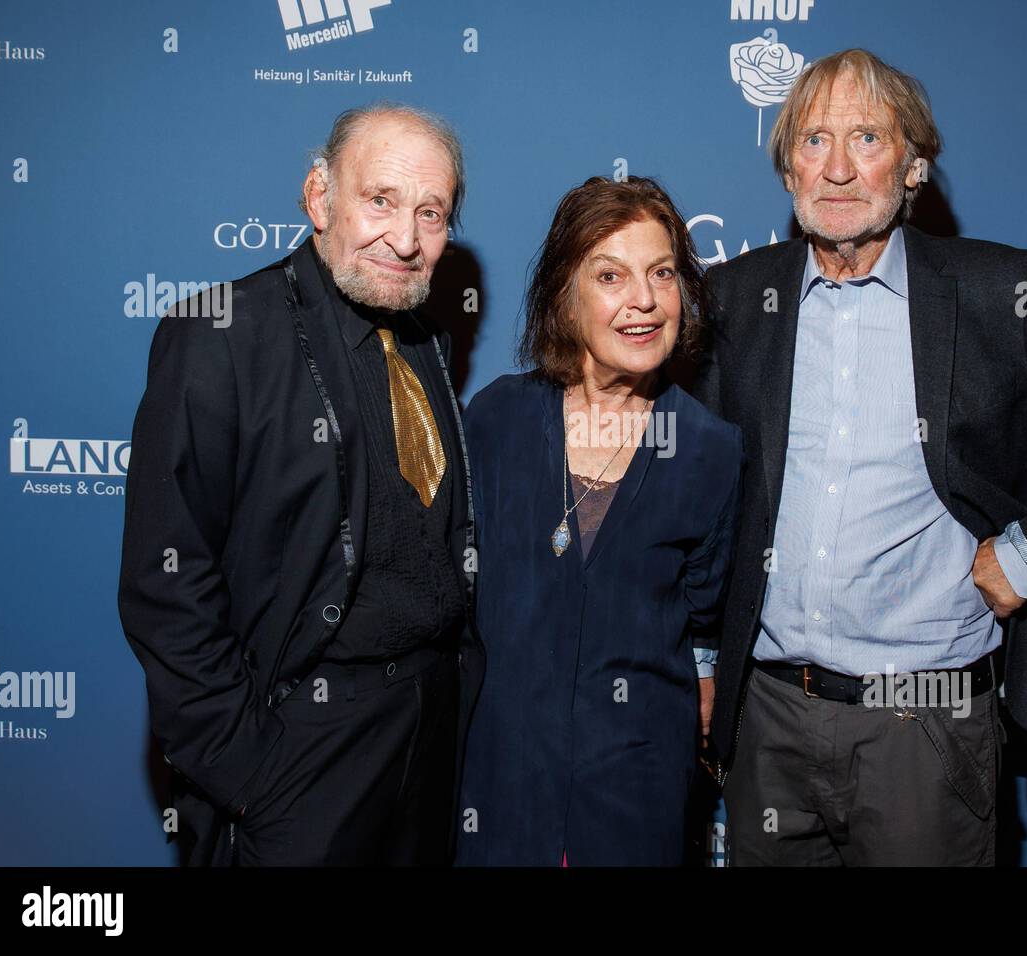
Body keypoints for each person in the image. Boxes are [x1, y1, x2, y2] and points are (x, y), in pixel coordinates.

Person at [693, 49, 1027, 866]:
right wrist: (704, 658)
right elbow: (703, 496)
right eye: (814, 140)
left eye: (867, 137)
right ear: (788, 166)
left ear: (914, 164)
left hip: (923, 725)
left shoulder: (1000, 289)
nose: (839, 168)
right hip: (770, 716)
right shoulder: (736, 299)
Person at [118, 103, 484, 865]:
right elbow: (167, 585)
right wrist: (252, 771)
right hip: (304, 747)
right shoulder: (220, 335)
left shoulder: (423, 339)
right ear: (319, 198)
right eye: (379, 200)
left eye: (431, 213)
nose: (406, 239)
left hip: (429, 731)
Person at [456, 176, 743, 866]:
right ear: (566, 294)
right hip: (497, 777)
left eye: (663, 273)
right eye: (610, 275)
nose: (643, 301)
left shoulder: (708, 447)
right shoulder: (498, 419)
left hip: (634, 785)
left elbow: (704, 616)